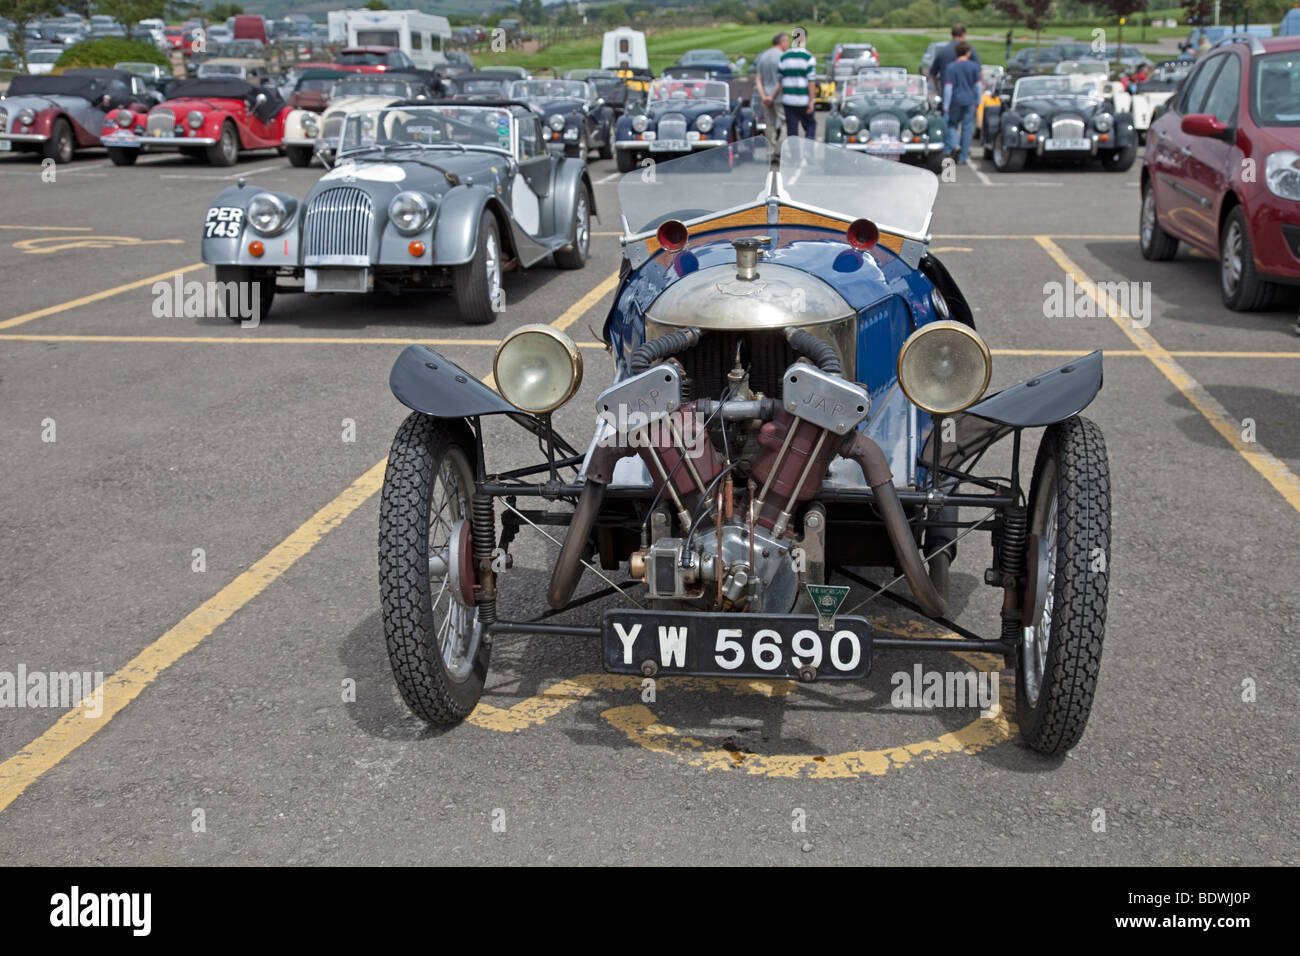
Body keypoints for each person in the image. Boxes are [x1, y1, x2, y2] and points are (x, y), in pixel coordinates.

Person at [942, 40, 982, 165]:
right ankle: (963, 156)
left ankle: (954, 144)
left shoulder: (951, 67)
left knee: (952, 124)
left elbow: (948, 87)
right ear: (968, 52)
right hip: (969, 100)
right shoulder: (974, 66)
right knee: (967, 127)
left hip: (955, 100)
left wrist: (946, 105)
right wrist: (979, 100)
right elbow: (978, 86)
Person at [779, 28, 817, 140]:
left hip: (788, 100)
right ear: (805, 39)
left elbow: (780, 80)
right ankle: (808, 151)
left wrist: (783, 97)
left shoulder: (784, 57)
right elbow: (811, 81)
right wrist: (811, 100)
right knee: (810, 125)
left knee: (792, 131)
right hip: (803, 100)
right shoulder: (808, 58)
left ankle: (795, 156)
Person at [754, 32, 789, 147]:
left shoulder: (763, 56)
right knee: (785, 123)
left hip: (766, 96)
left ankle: (772, 149)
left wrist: (764, 96)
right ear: (782, 42)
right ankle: (781, 148)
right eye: (787, 42)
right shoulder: (783, 57)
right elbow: (782, 80)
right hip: (779, 96)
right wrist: (772, 96)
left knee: (770, 124)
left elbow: (758, 79)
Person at [930, 23, 981, 95]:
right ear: (963, 34)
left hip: (947, 93)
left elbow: (933, 74)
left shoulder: (942, 51)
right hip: (967, 94)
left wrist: (938, 90)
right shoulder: (969, 50)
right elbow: (978, 71)